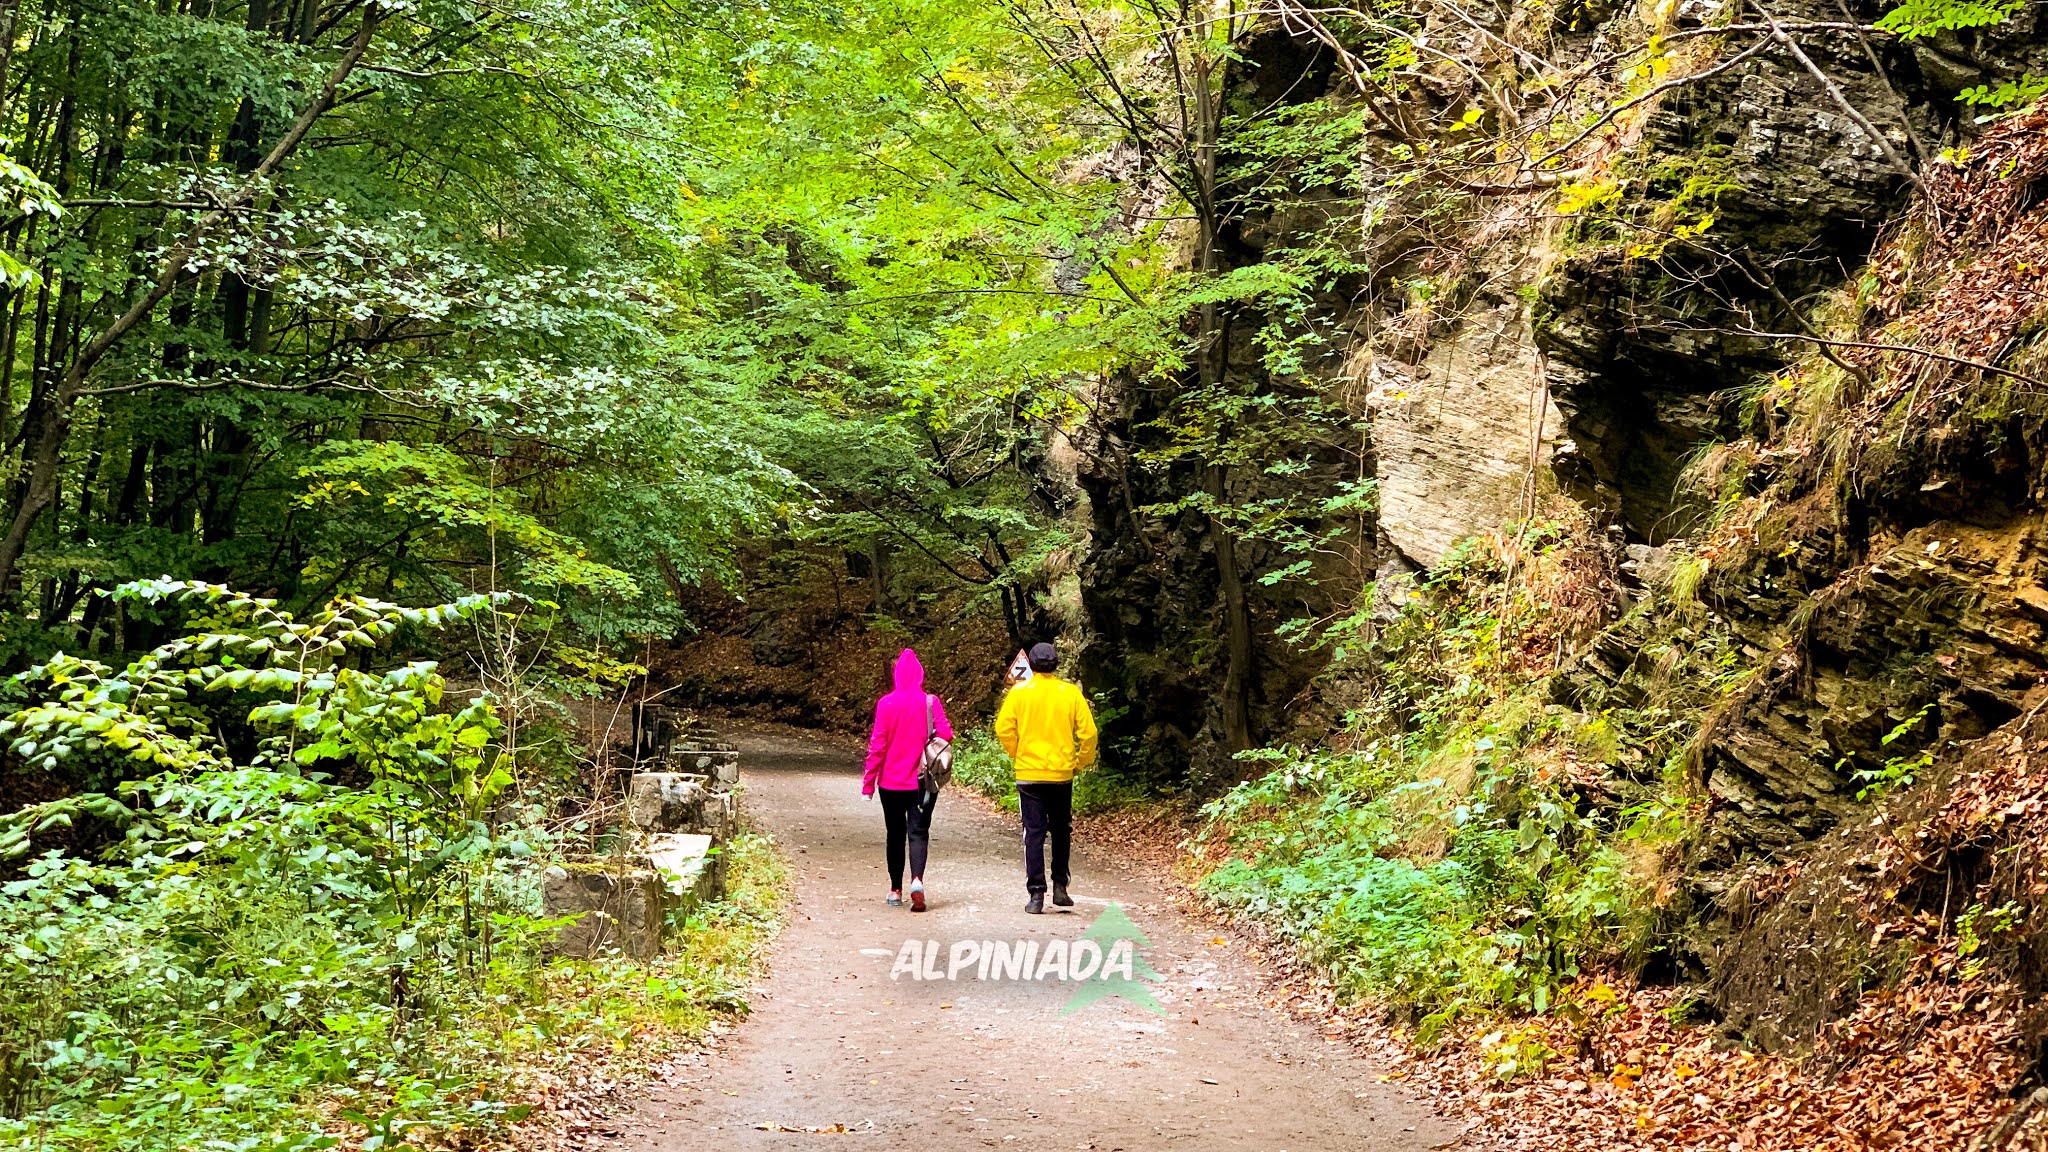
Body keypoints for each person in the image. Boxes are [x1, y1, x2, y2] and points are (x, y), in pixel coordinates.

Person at [993, 641, 1097, 914]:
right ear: (1056, 664)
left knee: (1034, 833)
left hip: (1029, 774)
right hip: (1061, 774)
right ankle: (1060, 886)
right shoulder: (1070, 693)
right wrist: (1080, 762)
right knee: (1061, 830)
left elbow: (1003, 728)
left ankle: (1036, 894)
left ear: (1032, 664)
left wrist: (1017, 752)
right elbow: (1089, 734)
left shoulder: (1019, 693)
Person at [863, 648, 952, 911]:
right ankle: (917, 881)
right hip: (922, 782)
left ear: (897, 675)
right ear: (920, 674)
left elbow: (877, 745)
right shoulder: (930, 702)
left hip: (890, 783)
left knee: (895, 834)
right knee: (918, 832)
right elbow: (946, 734)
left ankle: (895, 890)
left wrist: (868, 783)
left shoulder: (886, 703)